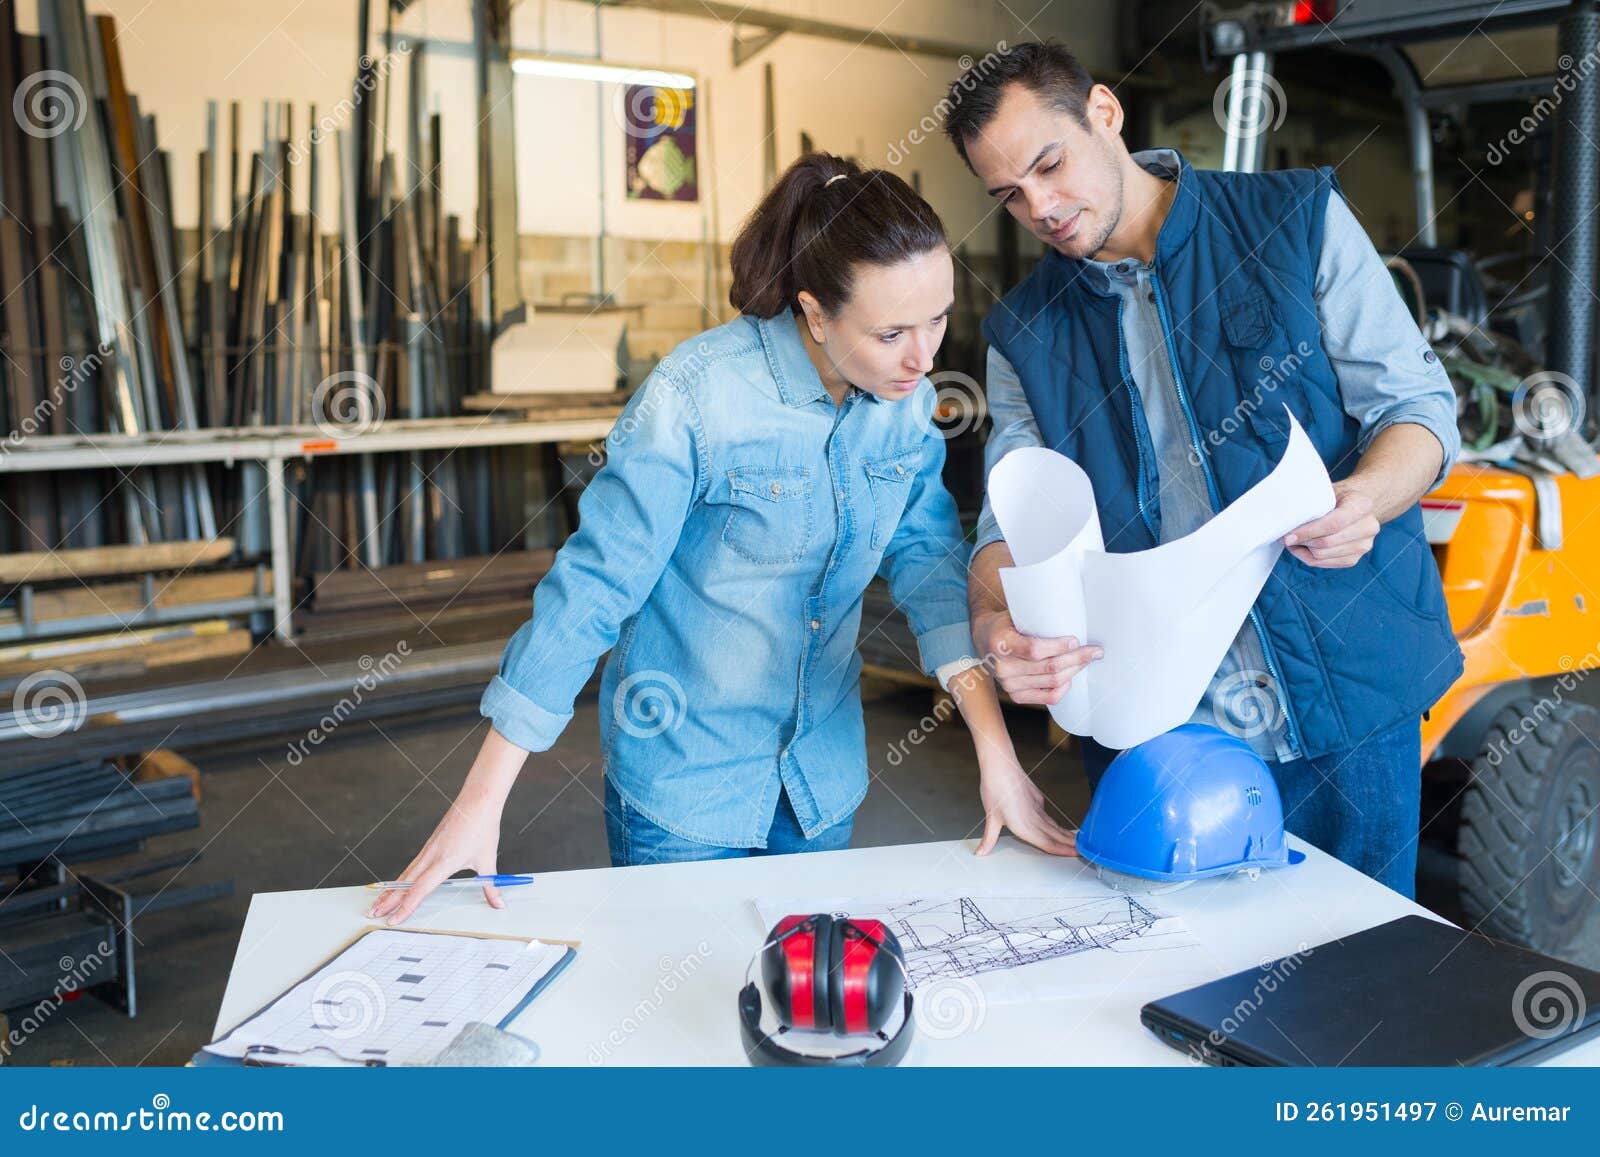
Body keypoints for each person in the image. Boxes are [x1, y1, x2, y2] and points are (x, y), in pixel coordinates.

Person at [371, 153, 1077, 926]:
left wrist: (997, 757)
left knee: (801, 991)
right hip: (686, 789)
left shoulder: (902, 402)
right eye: (890, 332)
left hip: (819, 785)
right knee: (683, 993)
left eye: (938, 317)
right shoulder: (697, 396)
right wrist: (480, 801)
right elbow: (595, 585)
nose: (925, 356)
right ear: (815, 314)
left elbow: (931, 567)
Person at [942, 43, 1463, 899]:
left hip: (1347, 695)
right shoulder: (1024, 334)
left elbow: (1417, 407)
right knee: (1185, 970)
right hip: (1158, 728)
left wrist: (1367, 496)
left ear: (1103, 112)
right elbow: (1009, 525)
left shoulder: (1293, 218)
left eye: (1049, 165)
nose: (1041, 208)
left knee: (1365, 961)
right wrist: (995, 620)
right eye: (1009, 194)